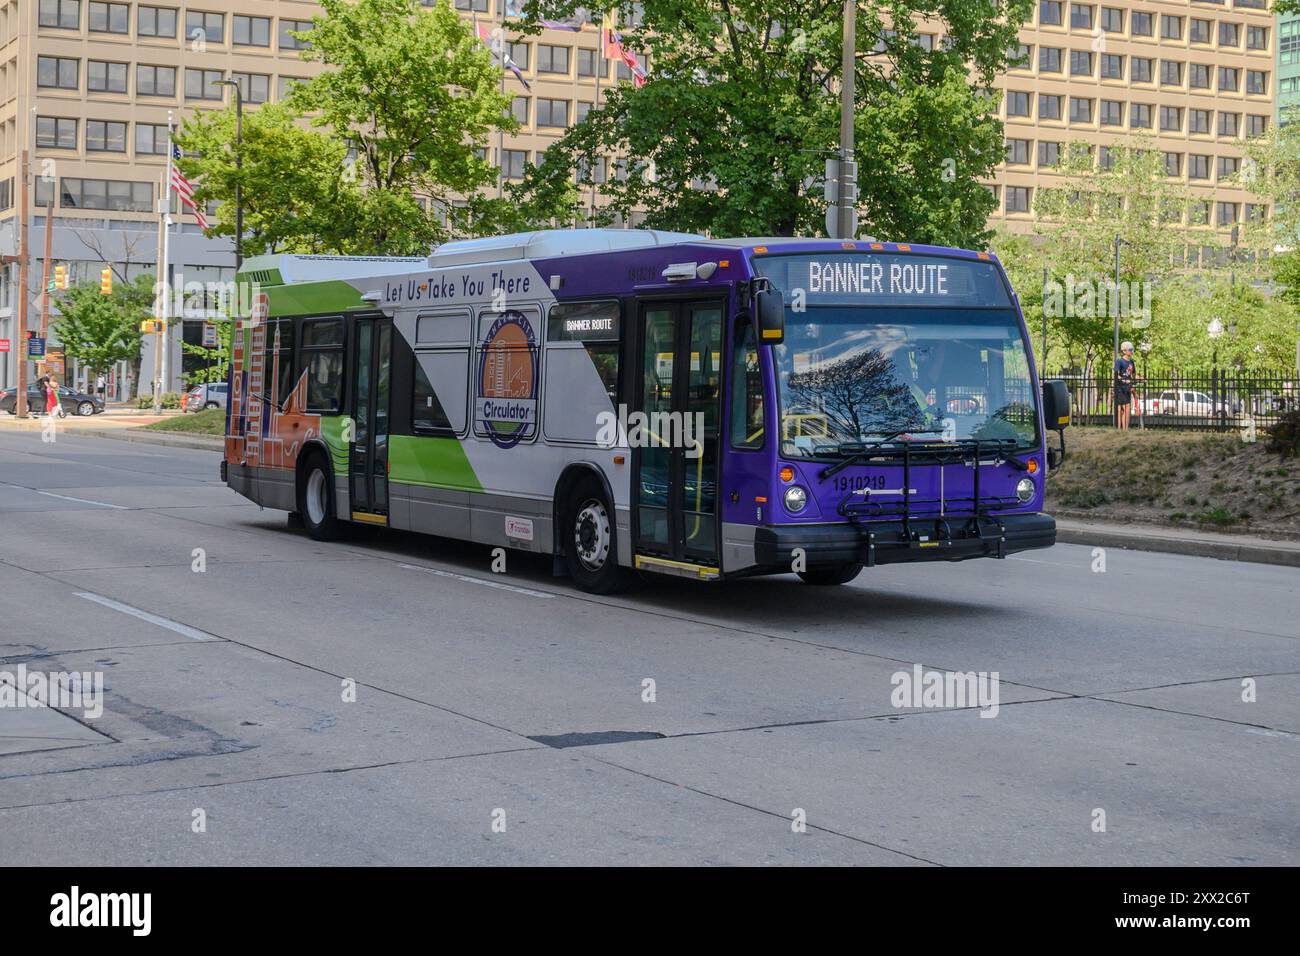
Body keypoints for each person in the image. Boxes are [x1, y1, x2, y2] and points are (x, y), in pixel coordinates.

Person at [1114, 342, 1138, 431]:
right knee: (1121, 408)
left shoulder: (1131, 362)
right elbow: (1116, 375)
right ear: (1124, 351)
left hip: (1128, 387)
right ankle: (1120, 429)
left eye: (1132, 350)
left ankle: (1126, 429)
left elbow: (1133, 374)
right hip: (1120, 388)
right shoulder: (1119, 361)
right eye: (1130, 350)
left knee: (1128, 407)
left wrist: (1138, 380)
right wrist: (1124, 380)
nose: (1132, 351)